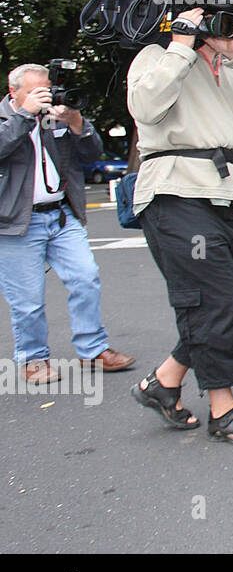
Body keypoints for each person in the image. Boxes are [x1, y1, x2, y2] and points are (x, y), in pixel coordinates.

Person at [126, 6, 233, 445]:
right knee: (210, 301)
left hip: (229, 195)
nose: (214, 27)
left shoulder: (229, 65)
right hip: (176, 193)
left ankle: (166, 379)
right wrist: (179, 46)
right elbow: (145, 107)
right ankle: (224, 408)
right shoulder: (157, 56)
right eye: (205, 20)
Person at [0, 64, 136, 384]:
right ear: (14, 93)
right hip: (15, 222)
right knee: (28, 299)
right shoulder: (7, 118)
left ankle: (93, 349)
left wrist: (76, 122)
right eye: (36, 92)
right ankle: (33, 359)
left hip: (61, 215)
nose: (45, 97)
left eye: (46, 89)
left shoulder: (54, 118)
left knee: (86, 278)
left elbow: (92, 154)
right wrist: (24, 116)